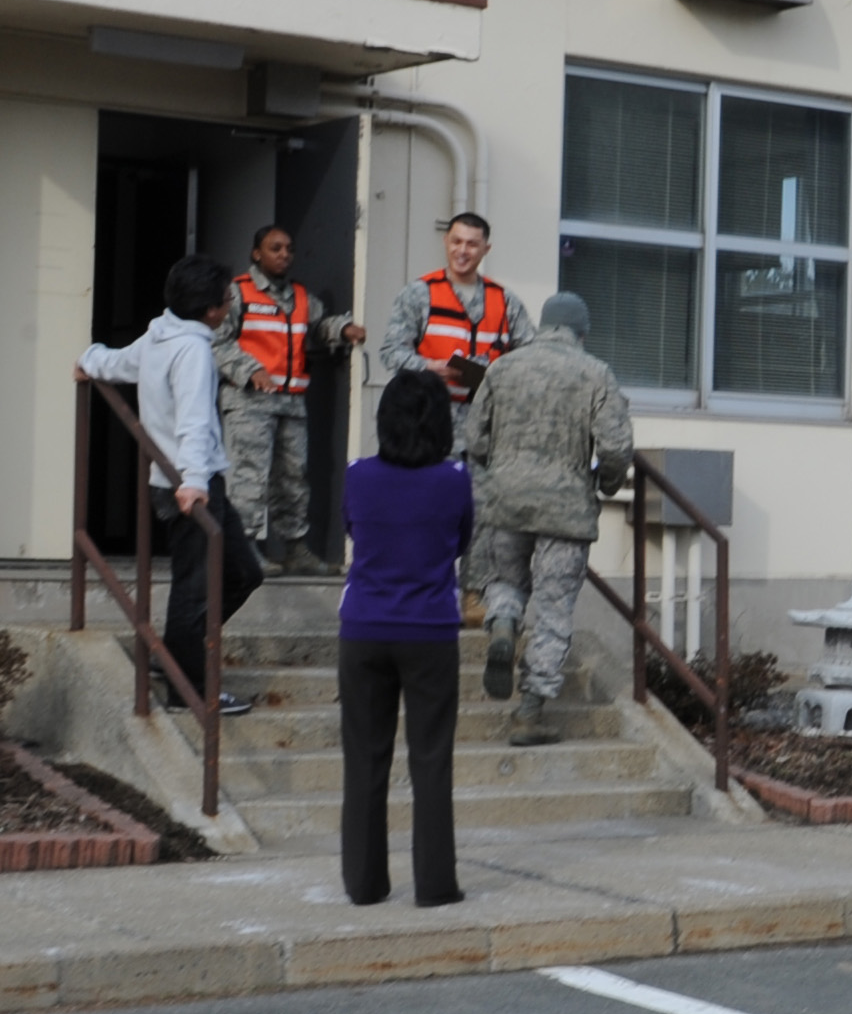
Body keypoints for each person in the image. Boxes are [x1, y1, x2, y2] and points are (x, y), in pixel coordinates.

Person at [77, 255, 261, 718]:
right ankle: (188, 690)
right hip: (189, 483)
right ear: (211, 310)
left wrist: (88, 359)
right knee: (195, 588)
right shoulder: (193, 350)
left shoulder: (160, 335)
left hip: (180, 479)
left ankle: (176, 656)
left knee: (243, 573)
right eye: (226, 300)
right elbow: (194, 420)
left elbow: (116, 363)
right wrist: (195, 481)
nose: (230, 304)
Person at [461, 290, 636, 743]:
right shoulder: (596, 372)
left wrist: (500, 469)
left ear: (542, 326)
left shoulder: (502, 367)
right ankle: (529, 713)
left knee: (506, 580)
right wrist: (608, 484)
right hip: (566, 510)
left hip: (506, 501)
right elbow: (615, 447)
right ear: (582, 332)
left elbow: (474, 438)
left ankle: (502, 625)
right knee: (555, 608)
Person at [334, 368, 472, 909]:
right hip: (431, 628)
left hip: (364, 626)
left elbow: (351, 527)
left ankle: (365, 884)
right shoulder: (455, 478)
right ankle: (436, 884)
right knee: (431, 760)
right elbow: (462, 538)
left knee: (365, 760)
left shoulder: (357, 475)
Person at [222, 222, 364, 577]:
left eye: (288, 249)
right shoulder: (236, 293)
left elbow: (318, 326)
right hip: (249, 400)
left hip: (291, 400)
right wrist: (248, 369)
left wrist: (341, 329)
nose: (284, 255)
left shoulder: (301, 296)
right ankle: (244, 548)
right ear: (257, 253)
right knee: (250, 476)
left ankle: (295, 549)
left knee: (293, 477)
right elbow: (215, 341)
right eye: (275, 248)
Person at [410, 211, 521, 405]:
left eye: (472, 244)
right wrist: (427, 367)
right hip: (428, 415)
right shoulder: (420, 293)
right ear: (445, 241)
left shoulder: (505, 300)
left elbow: (529, 354)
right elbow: (391, 350)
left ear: (486, 249)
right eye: (456, 241)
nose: (462, 251)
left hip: (485, 419)